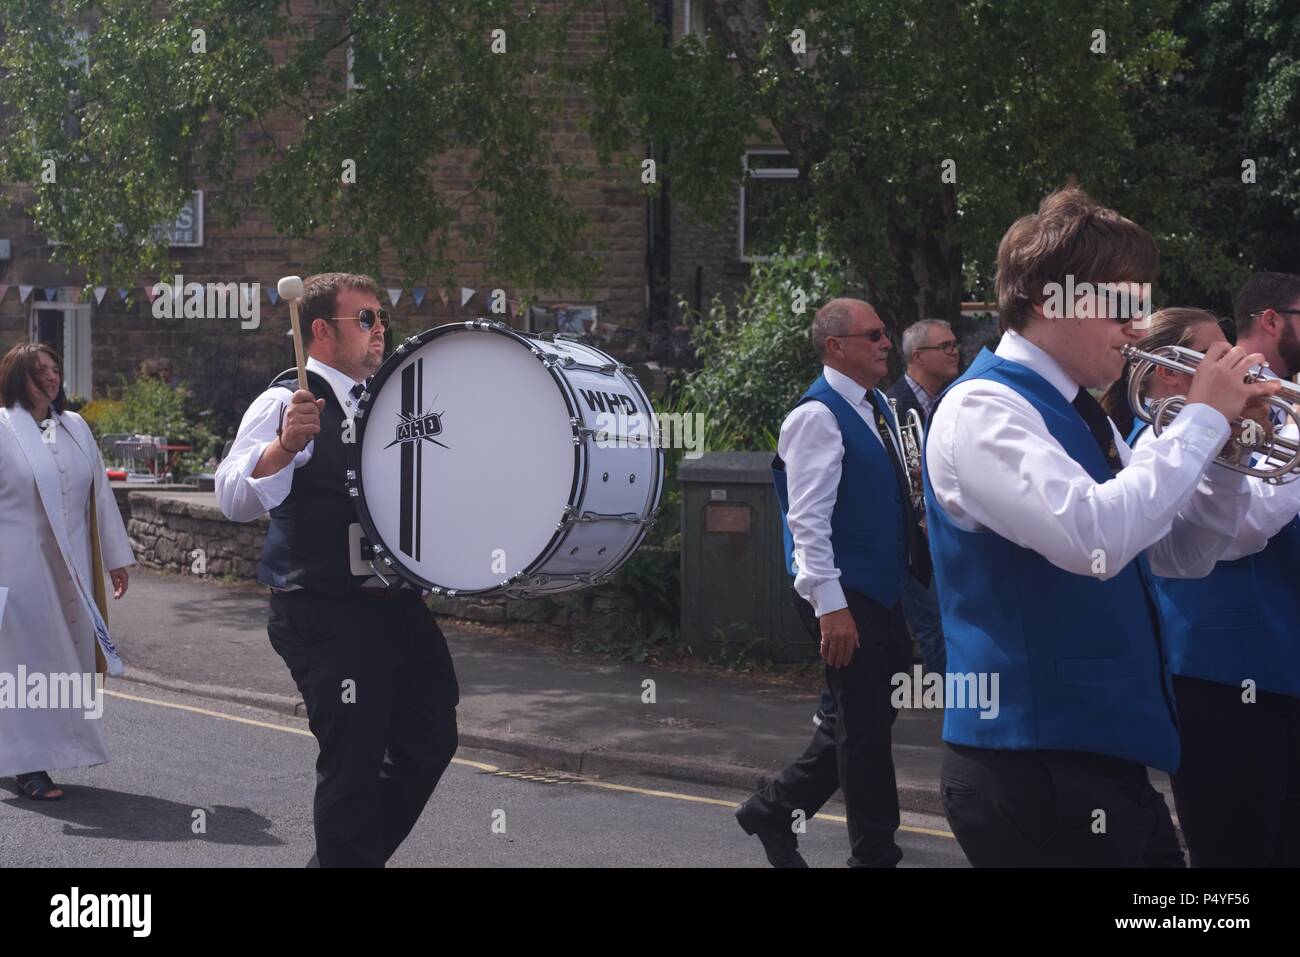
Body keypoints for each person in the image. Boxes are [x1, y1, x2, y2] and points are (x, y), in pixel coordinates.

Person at [924, 184, 1278, 867]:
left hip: (1096, 763)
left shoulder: (1080, 411)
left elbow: (1180, 553)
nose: (1139, 329)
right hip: (1031, 765)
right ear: (1042, 301)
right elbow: (1097, 539)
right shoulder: (984, 410)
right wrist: (1202, 419)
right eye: (1120, 305)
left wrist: (1230, 454)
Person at [215, 272, 458, 867]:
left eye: (382, 319)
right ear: (319, 330)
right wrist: (282, 448)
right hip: (320, 607)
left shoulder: (387, 405)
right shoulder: (283, 401)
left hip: (393, 605)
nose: (381, 332)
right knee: (352, 764)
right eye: (366, 320)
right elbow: (230, 496)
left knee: (431, 738)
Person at [1104, 299, 1300, 866]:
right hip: (1218, 675)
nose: (1242, 363)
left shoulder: (1259, 427)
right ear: (1170, 369)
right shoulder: (1157, 436)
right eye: (1222, 356)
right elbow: (1245, 530)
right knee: (1233, 854)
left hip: (1277, 669)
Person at [735, 298, 929, 868]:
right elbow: (807, 520)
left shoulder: (877, 409)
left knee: (864, 715)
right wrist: (831, 607)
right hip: (841, 594)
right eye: (873, 335)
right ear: (835, 347)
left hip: (879, 590)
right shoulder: (816, 416)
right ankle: (875, 854)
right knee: (865, 729)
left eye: (885, 332)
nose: (886, 343)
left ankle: (774, 809)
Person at [0, 342, 134, 800]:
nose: (51, 376)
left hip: (70, 569)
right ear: (18, 376)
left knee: (62, 668)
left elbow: (99, 498)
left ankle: (30, 755)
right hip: (16, 571)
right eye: (40, 370)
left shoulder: (75, 427)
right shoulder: (1, 429)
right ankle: (28, 767)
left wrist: (115, 558)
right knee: (28, 669)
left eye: (55, 368)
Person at [886, 318, 959, 678]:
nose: (954, 351)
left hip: (943, 532)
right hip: (915, 539)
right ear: (918, 356)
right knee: (933, 625)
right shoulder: (893, 405)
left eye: (953, 344)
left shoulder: (947, 400)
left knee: (945, 621)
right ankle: (958, 709)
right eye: (944, 346)